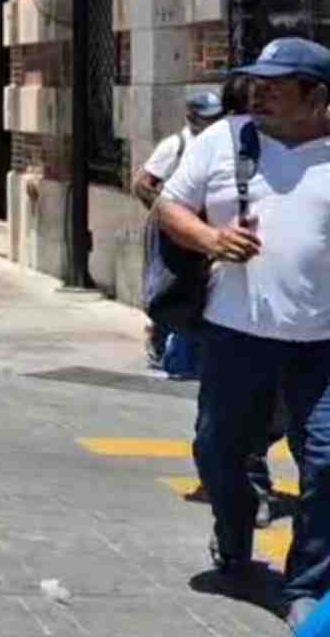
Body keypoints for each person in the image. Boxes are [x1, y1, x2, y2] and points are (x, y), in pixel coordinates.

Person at [157, 38, 330, 628]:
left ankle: (306, 581)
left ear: (317, 97)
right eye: (256, 81)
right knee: (218, 453)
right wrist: (208, 240)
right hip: (235, 338)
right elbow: (169, 206)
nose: (258, 91)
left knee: (327, 463)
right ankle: (233, 539)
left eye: (276, 84)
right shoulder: (225, 140)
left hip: (321, 347)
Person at [135, 91, 225, 369]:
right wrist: (169, 213)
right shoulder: (175, 145)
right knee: (168, 284)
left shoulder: (218, 143)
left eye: (216, 118)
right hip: (172, 231)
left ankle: (188, 349)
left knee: (196, 287)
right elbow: (141, 183)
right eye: (206, 119)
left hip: (202, 230)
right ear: (191, 117)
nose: (212, 124)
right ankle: (159, 341)